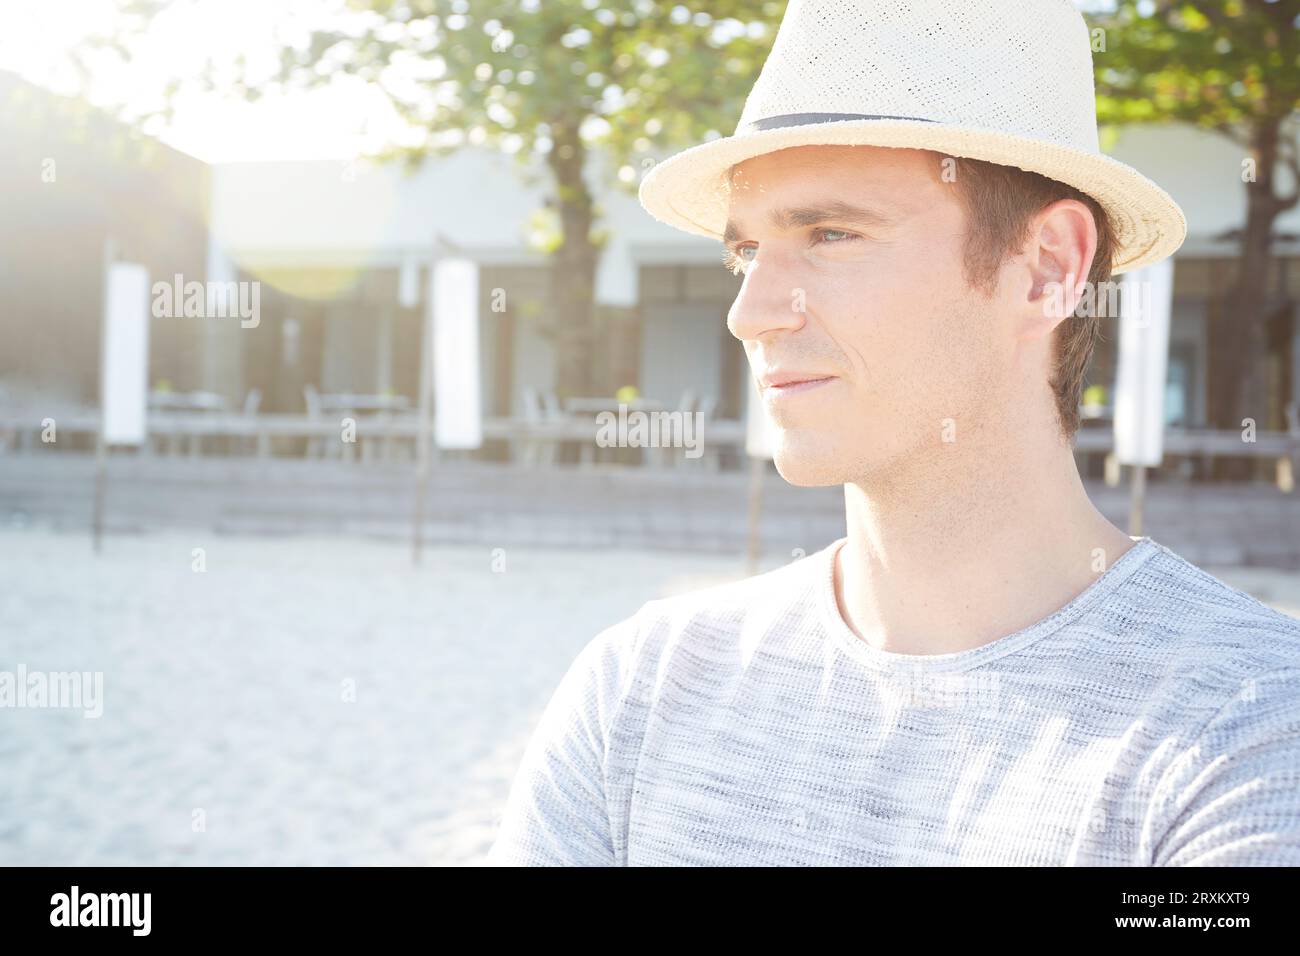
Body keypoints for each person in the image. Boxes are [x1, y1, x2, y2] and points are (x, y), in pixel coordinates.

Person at [487, 0, 1300, 865]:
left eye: (831, 235)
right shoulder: (640, 692)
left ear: (1047, 269)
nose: (749, 313)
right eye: (746, 253)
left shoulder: (1249, 731)